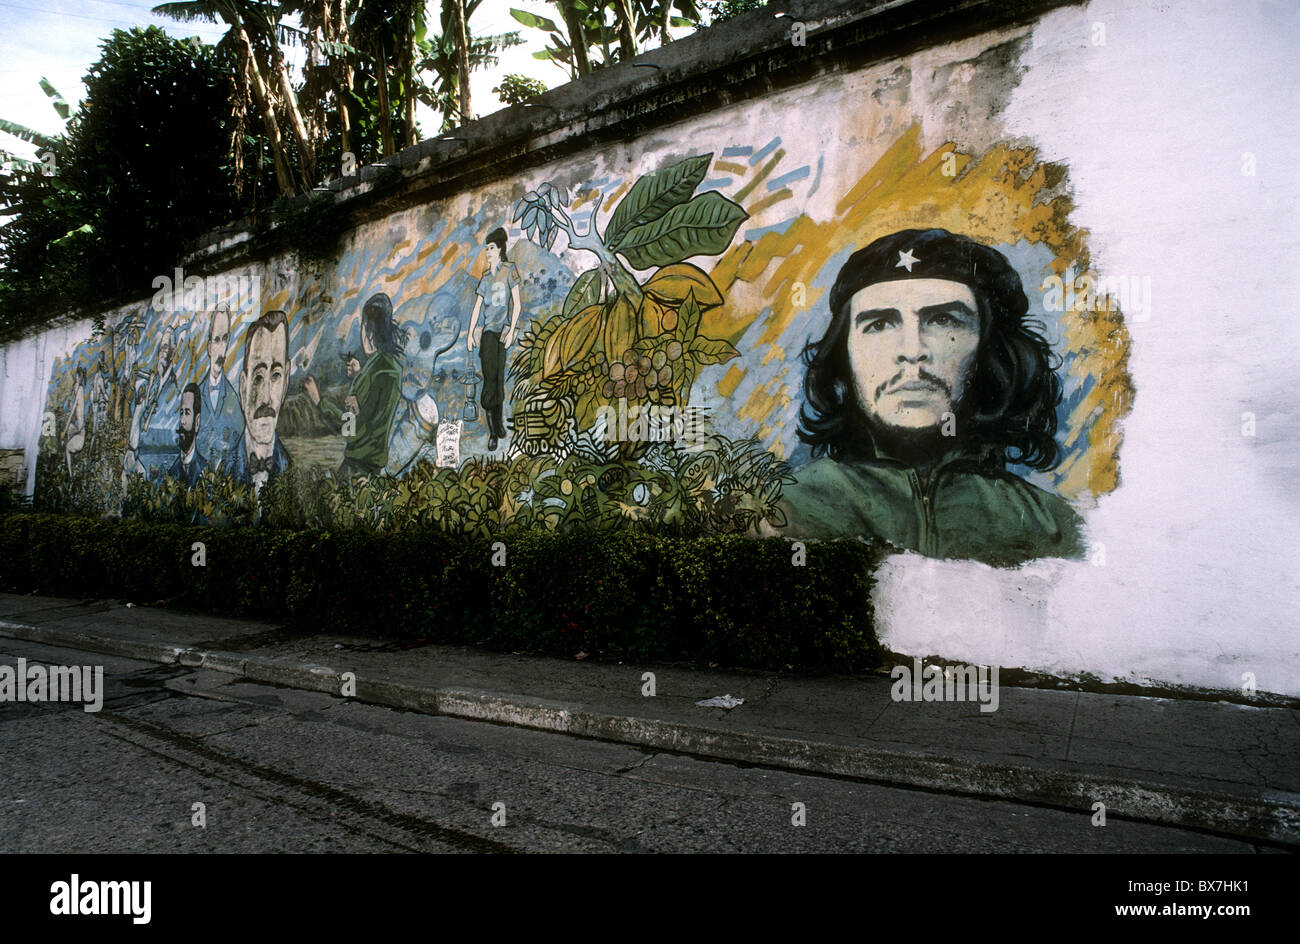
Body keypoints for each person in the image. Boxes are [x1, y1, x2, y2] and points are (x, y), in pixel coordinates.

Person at [778, 228, 1085, 566]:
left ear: (990, 351)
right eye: (880, 324)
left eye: (942, 320)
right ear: (843, 355)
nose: (913, 351)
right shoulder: (781, 509)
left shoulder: (1054, 528)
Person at [303, 293, 403, 478]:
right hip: (373, 466)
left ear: (369, 330)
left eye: (364, 326)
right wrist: (359, 376)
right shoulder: (390, 368)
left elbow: (350, 429)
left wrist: (318, 401)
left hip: (357, 469)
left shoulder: (377, 373)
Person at [467, 227, 522, 451]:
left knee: (499, 378)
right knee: (490, 379)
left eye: (490, 247)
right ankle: (492, 430)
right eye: (486, 248)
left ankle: (498, 424)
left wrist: (511, 332)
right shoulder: (486, 278)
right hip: (489, 334)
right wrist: (470, 333)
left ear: (499, 248)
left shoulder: (509, 270)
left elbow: (517, 304)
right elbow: (478, 307)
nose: (487, 252)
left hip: (503, 332)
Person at [228, 309, 291, 493]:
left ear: (286, 383)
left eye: (276, 376)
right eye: (258, 378)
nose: (266, 398)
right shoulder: (222, 471)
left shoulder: (292, 471)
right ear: (242, 387)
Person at [195, 308, 244, 473]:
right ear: (209, 348)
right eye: (217, 340)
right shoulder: (196, 396)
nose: (221, 348)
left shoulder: (233, 397)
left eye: (225, 339)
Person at [167, 383, 208, 487]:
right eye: (181, 413)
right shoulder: (171, 472)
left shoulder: (205, 472)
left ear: (197, 422)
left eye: (187, 413)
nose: (182, 421)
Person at [64, 367, 86, 480]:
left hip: (81, 435)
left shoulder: (81, 390)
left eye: (77, 376)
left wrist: (65, 429)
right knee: (68, 431)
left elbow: (73, 410)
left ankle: (71, 477)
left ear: (80, 377)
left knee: (67, 448)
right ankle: (75, 464)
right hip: (78, 431)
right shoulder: (77, 388)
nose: (75, 378)